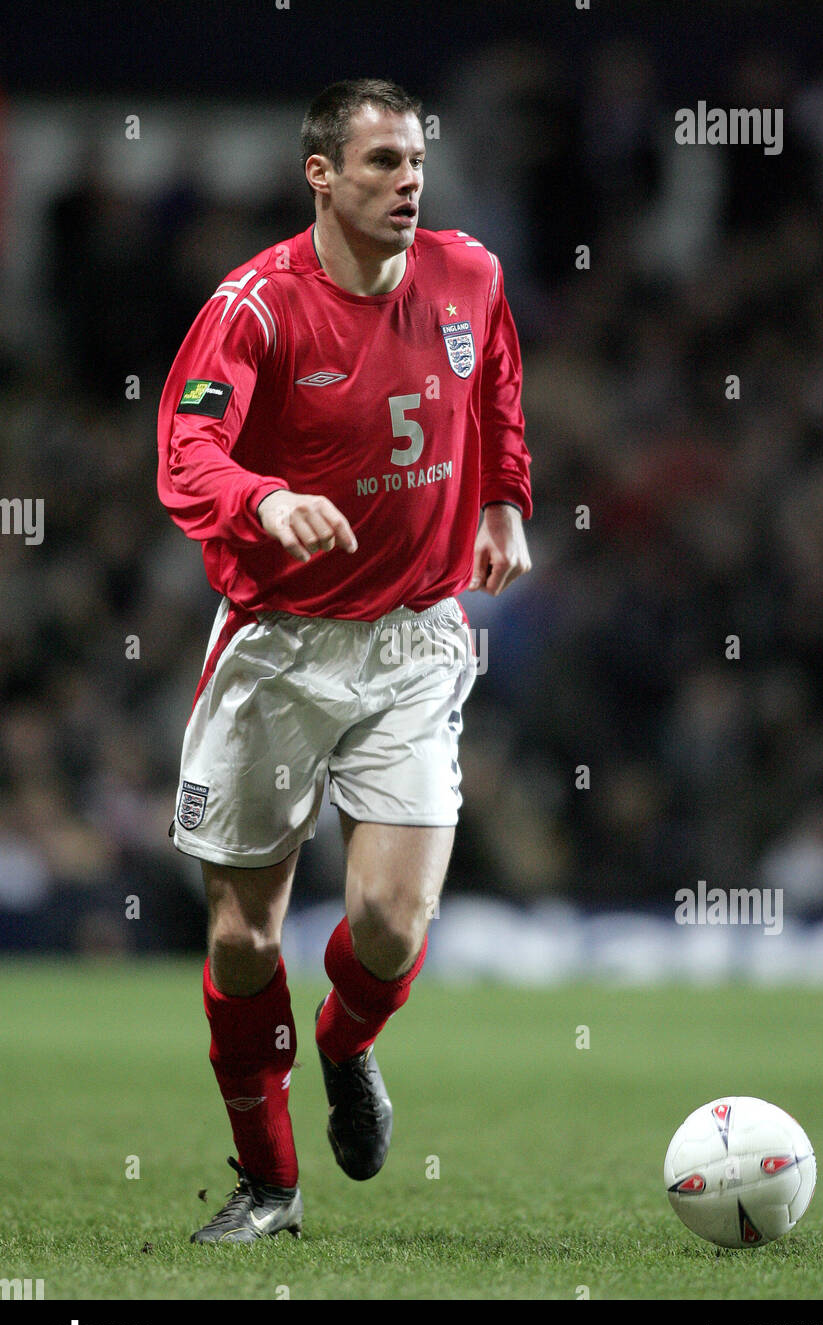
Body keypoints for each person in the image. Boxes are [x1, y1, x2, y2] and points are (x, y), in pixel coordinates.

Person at [156, 78, 532, 1243]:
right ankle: (269, 1184)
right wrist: (262, 499)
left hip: (417, 637)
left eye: (413, 159)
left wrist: (506, 499)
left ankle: (348, 1046)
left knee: (391, 920)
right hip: (279, 646)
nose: (404, 180)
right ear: (319, 174)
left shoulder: (468, 274)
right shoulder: (257, 307)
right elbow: (186, 450)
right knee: (242, 936)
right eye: (378, 162)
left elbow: (498, 391)